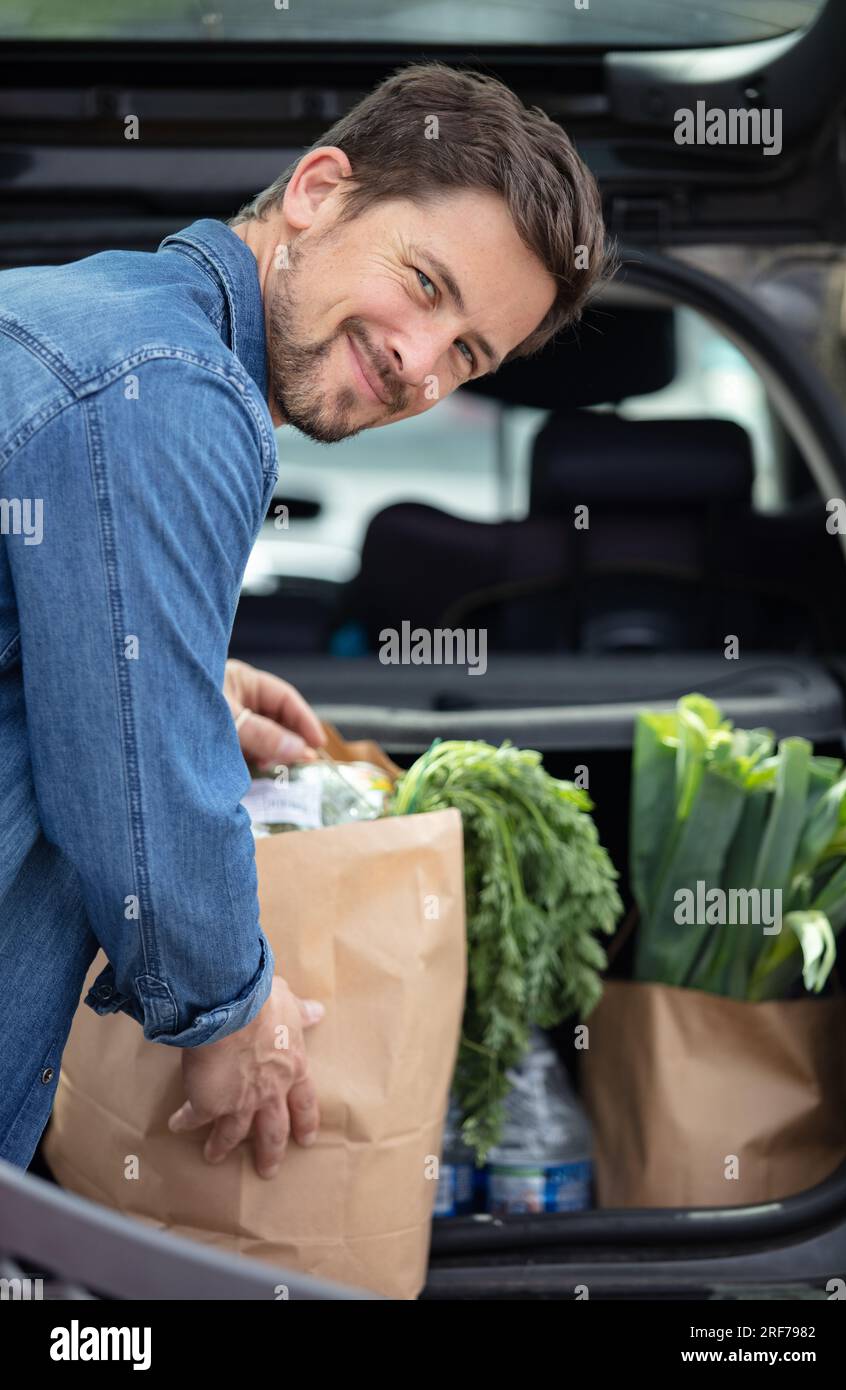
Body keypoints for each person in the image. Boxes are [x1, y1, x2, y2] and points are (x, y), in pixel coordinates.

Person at [0, 62, 610, 1175]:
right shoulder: (171, 385)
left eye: (469, 353)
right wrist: (233, 1014)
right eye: (426, 285)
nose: (419, 366)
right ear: (319, 190)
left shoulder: (95, 320)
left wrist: (190, 681)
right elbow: (137, 798)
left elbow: (66, 671)